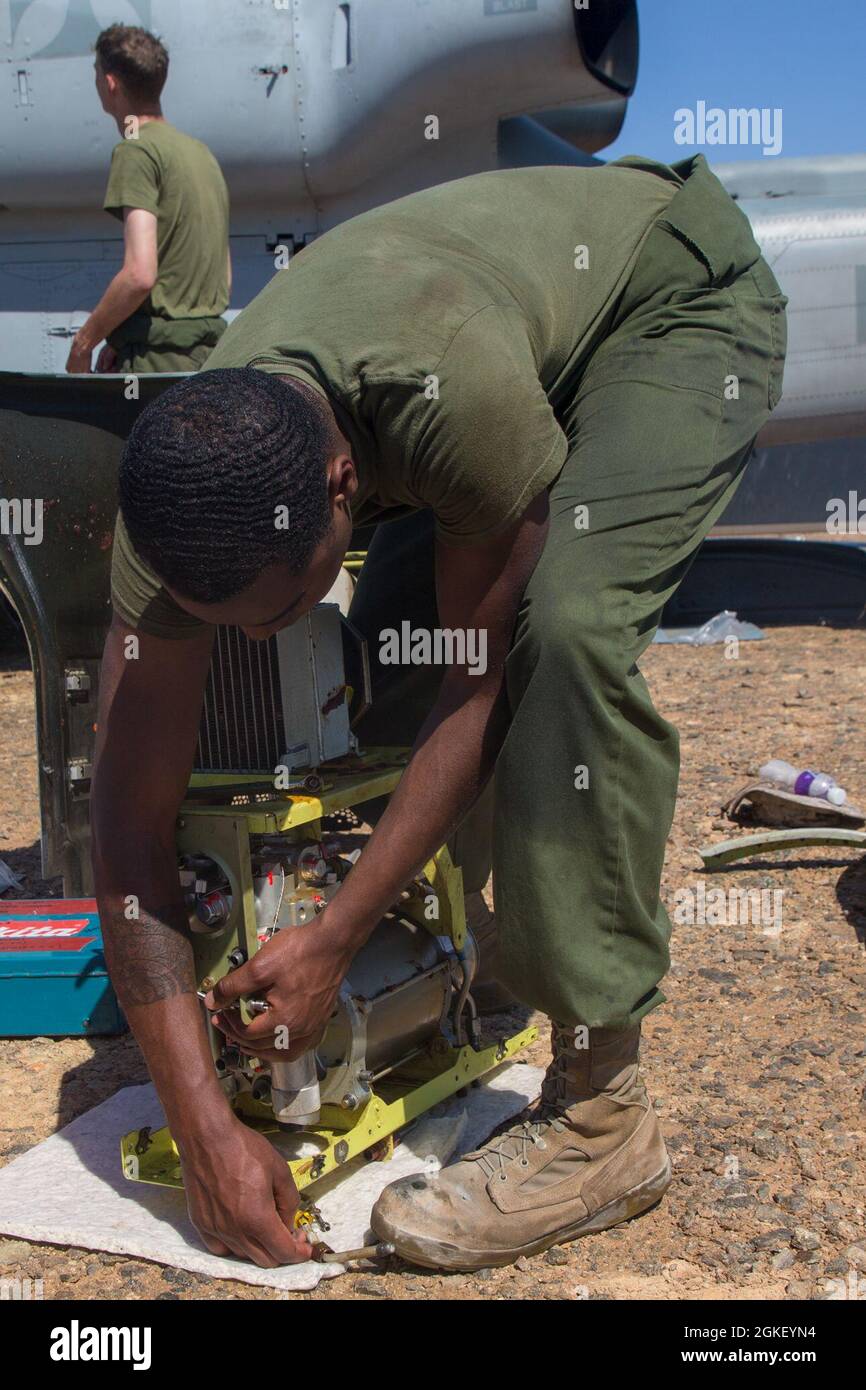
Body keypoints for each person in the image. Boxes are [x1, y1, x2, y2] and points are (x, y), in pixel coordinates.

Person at [92, 154, 786, 1270]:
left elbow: (483, 681)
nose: (262, 639)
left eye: (278, 608)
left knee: (559, 631)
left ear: (339, 486)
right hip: (480, 348)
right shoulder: (177, 497)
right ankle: (455, 965)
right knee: (389, 657)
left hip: (662, 302)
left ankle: (602, 1114)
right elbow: (124, 828)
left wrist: (335, 936)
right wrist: (202, 1126)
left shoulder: (446, 400)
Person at [66, 24, 229, 376]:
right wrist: (121, 339)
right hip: (212, 361)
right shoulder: (201, 155)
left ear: (110, 84)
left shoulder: (135, 149)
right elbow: (222, 276)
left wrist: (84, 343)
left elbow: (140, 274)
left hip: (157, 364)